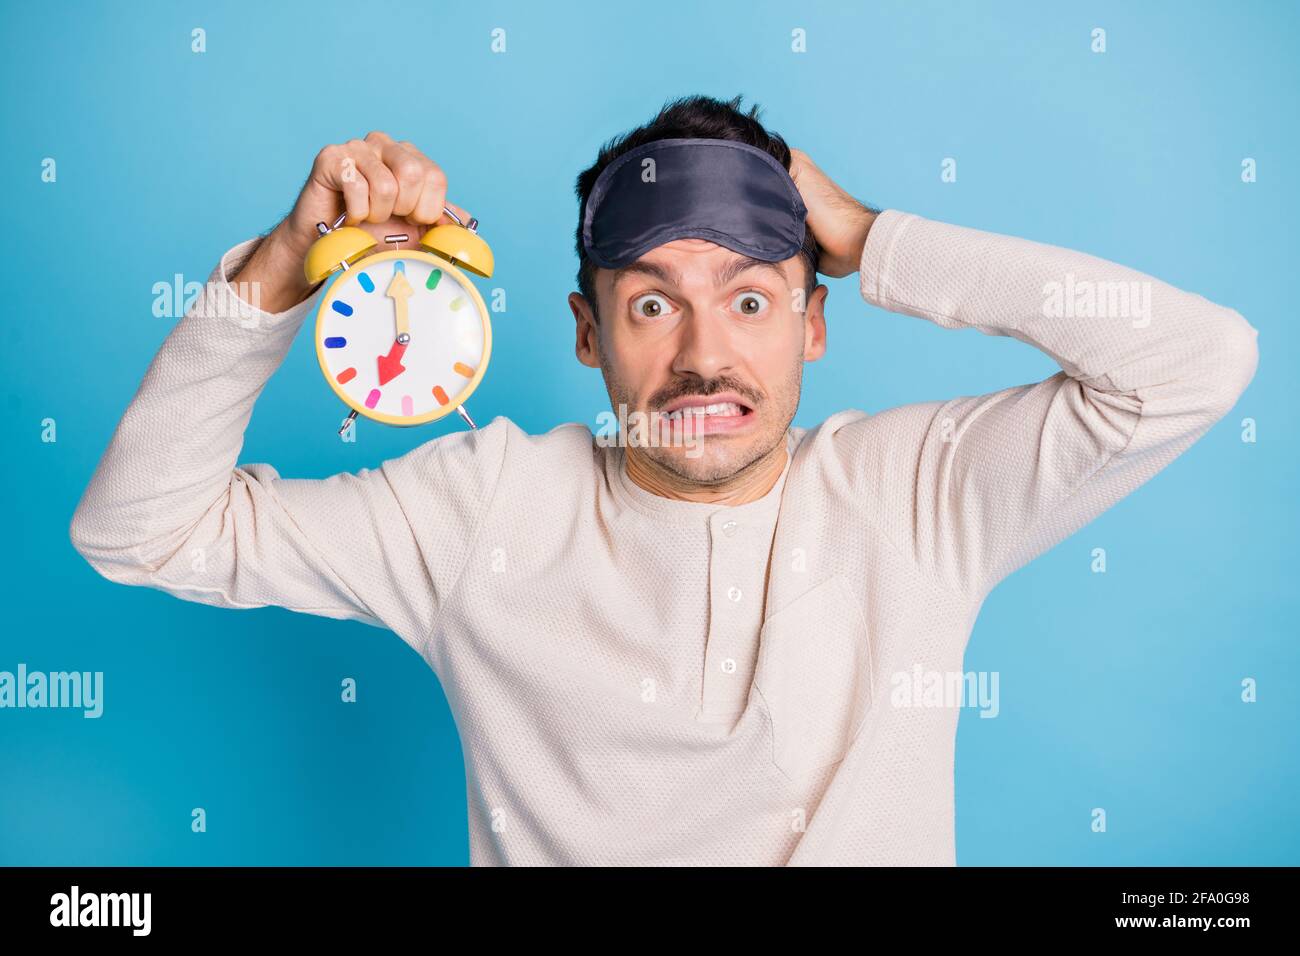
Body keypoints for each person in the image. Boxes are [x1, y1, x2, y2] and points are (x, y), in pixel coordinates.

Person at [69, 94, 1259, 866]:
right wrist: (282, 265)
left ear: (814, 325)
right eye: (651, 303)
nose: (702, 354)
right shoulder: (479, 506)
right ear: (586, 334)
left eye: (750, 298)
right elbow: (143, 531)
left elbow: (1198, 362)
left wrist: (872, 234)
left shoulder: (919, 495)